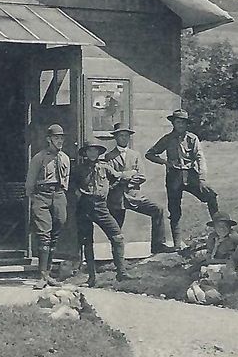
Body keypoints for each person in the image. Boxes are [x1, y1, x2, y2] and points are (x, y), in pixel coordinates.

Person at [144, 109, 218, 249]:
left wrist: (202, 179)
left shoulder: (192, 138)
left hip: (190, 174)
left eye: (183, 122)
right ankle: (177, 245)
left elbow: (200, 158)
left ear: (186, 124)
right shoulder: (167, 139)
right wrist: (165, 162)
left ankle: (220, 232)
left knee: (211, 196)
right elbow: (150, 154)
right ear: (173, 123)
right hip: (174, 176)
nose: (181, 125)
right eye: (178, 122)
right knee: (174, 209)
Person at [103, 123, 173, 254]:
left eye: (126, 135)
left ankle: (158, 246)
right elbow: (111, 177)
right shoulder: (109, 156)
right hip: (116, 198)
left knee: (158, 210)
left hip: (134, 195)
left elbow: (142, 176)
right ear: (115, 137)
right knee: (116, 229)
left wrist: (125, 179)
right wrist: (129, 174)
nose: (124, 138)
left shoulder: (135, 155)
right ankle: (117, 256)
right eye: (121, 135)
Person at [73, 143, 130, 287]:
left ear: (99, 153)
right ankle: (92, 277)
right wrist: (78, 193)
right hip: (84, 206)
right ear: (85, 153)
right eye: (90, 150)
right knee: (87, 242)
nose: (93, 153)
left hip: (101, 206)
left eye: (95, 151)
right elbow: (71, 184)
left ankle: (121, 272)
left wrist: (109, 188)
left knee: (117, 236)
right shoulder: (79, 169)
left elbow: (118, 177)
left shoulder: (105, 167)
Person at [25, 124, 71, 288]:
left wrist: (61, 195)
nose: (59, 141)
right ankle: (42, 275)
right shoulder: (39, 158)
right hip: (42, 196)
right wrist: (35, 199)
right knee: (44, 234)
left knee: (56, 232)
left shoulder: (65, 158)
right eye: (56, 138)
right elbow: (30, 182)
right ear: (48, 139)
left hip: (59, 195)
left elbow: (66, 180)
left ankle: (49, 273)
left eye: (61, 138)